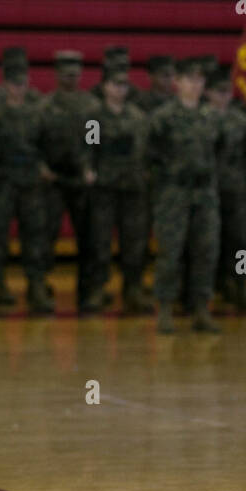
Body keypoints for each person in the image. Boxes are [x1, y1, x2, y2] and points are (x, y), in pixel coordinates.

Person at [146, 58, 221, 334]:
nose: (195, 85)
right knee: (170, 252)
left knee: (206, 251)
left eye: (200, 80)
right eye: (189, 79)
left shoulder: (212, 117)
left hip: (205, 195)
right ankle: (165, 309)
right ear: (177, 82)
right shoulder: (162, 118)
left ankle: (201, 308)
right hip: (173, 194)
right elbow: (148, 157)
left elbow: (220, 153)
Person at [0, 47, 53, 315]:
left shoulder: (37, 112)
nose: (17, 89)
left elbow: (45, 145)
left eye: (21, 84)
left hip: (30, 181)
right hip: (3, 180)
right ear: (4, 84)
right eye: (12, 84)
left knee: (34, 237)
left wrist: (45, 166)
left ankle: (36, 287)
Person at [38, 50, 102, 313]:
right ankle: (39, 288)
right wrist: (41, 167)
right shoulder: (44, 106)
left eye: (75, 73)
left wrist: (89, 168)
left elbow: (94, 142)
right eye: (65, 73)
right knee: (44, 238)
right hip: (52, 180)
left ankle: (88, 292)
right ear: (56, 74)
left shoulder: (91, 107)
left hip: (81, 181)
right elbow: (36, 142)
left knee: (89, 239)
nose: (70, 78)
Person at [88, 65, 151, 314]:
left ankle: (133, 287)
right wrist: (88, 169)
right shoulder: (95, 117)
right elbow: (88, 148)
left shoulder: (137, 117)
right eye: (115, 84)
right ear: (104, 87)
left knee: (134, 241)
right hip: (104, 187)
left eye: (124, 85)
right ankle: (97, 288)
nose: (119, 89)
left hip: (132, 187)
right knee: (100, 241)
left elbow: (145, 150)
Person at [205, 66, 246, 313]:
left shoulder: (242, 122)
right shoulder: (200, 118)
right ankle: (204, 287)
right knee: (206, 242)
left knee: (240, 244)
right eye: (218, 91)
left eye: (228, 91)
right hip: (207, 191)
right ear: (208, 92)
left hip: (236, 191)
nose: (224, 96)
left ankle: (240, 284)